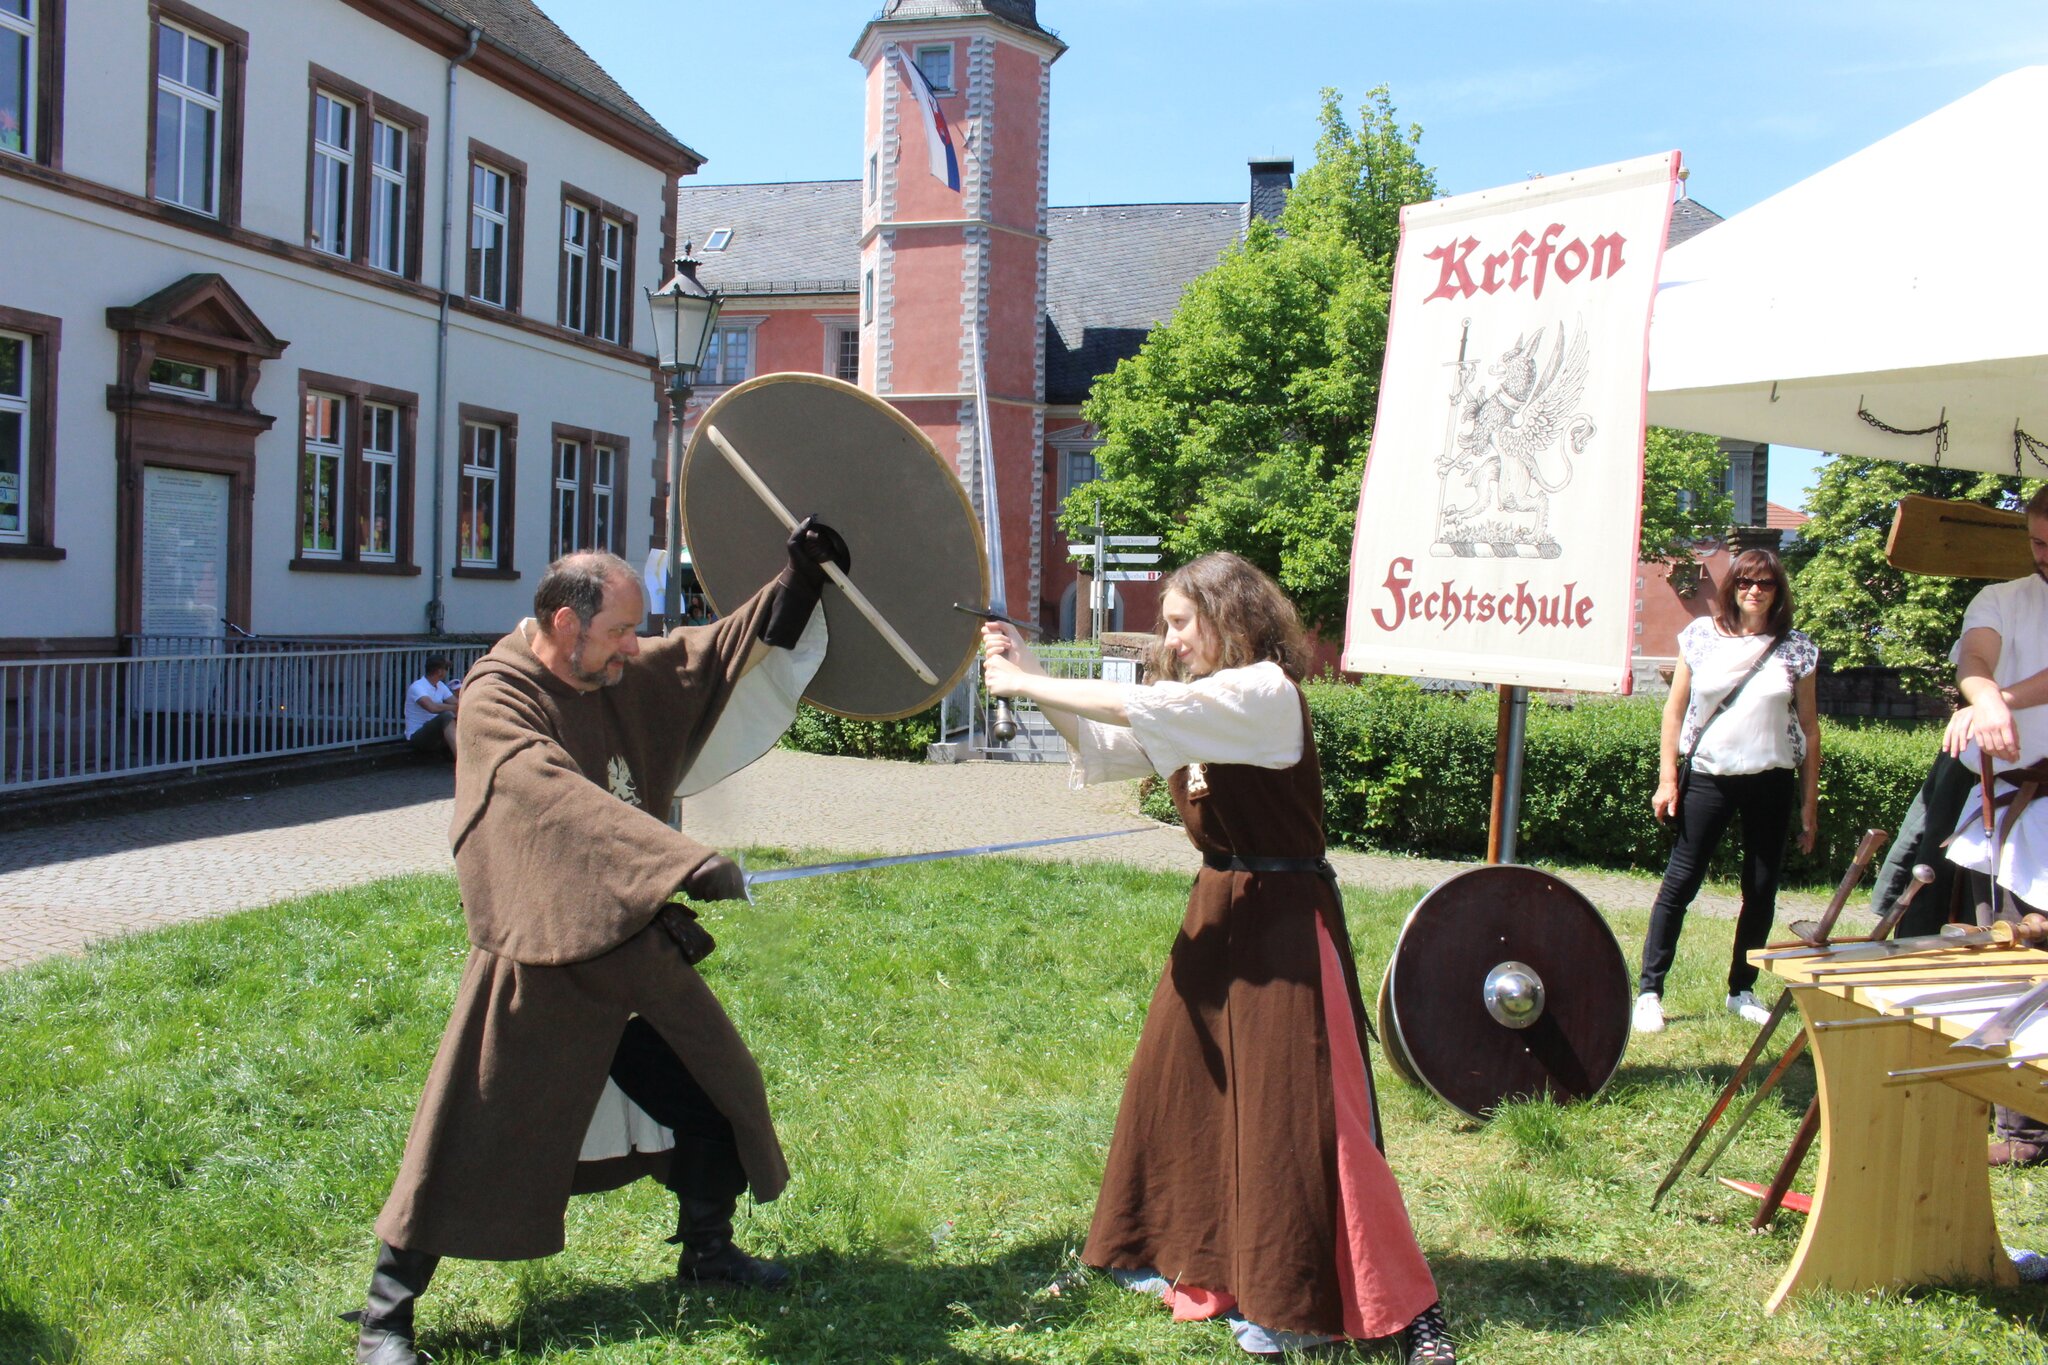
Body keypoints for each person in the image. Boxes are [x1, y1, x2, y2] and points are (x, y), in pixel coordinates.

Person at [350, 524, 844, 1365]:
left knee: (718, 1086)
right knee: (469, 1130)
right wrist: (680, 860)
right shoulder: (498, 699)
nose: (632, 647)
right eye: (619, 630)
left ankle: (708, 1251)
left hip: (630, 937)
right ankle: (384, 1321)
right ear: (564, 624)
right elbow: (549, 796)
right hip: (540, 950)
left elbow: (707, 654)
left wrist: (798, 579)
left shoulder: (608, 666)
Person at [981, 552, 1455, 1365]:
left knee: (1301, 1114)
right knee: (1181, 1084)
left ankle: (1358, 1296)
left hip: (1285, 923)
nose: (1170, 640)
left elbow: (1139, 704)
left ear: (1229, 617)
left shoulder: (1263, 692)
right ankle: (1190, 1251)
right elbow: (1105, 743)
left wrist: (1025, 682)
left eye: (1180, 623)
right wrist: (1030, 673)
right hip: (1218, 911)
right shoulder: (1201, 708)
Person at [1633, 547, 1820, 1034]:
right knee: (1680, 884)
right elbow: (1674, 711)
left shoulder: (1796, 648)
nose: (1754, 591)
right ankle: (1650, 992)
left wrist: (1809, 803)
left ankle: (1742, 990)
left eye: (1765, 583)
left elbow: (1809, 728)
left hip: (1771, 780)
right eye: (1745, 582)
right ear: (1731, 586)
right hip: (1709, 777)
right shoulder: (1700, 636)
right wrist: (1667, 779)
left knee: (1760, 890)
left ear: (1778, 591)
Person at [1937, 484, 2048, 1166]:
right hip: (2015, 809)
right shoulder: (2002, 598)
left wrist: (1995, 702)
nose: (2045, 554)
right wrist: (1984, 697)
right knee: (2011, 963)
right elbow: (1974, 658)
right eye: (2037, 541)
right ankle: (2023, 1127)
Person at [402, 656, 459, 758]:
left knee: (460, 714)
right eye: (446, 669)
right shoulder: (417, 687)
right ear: (440, 671)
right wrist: (454, 708)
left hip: (436, 734)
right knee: (446, 716)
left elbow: (457, 703)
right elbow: (432, 708)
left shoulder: (440, 685)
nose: (447, 672)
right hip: (417, 736)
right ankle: (461, 760)